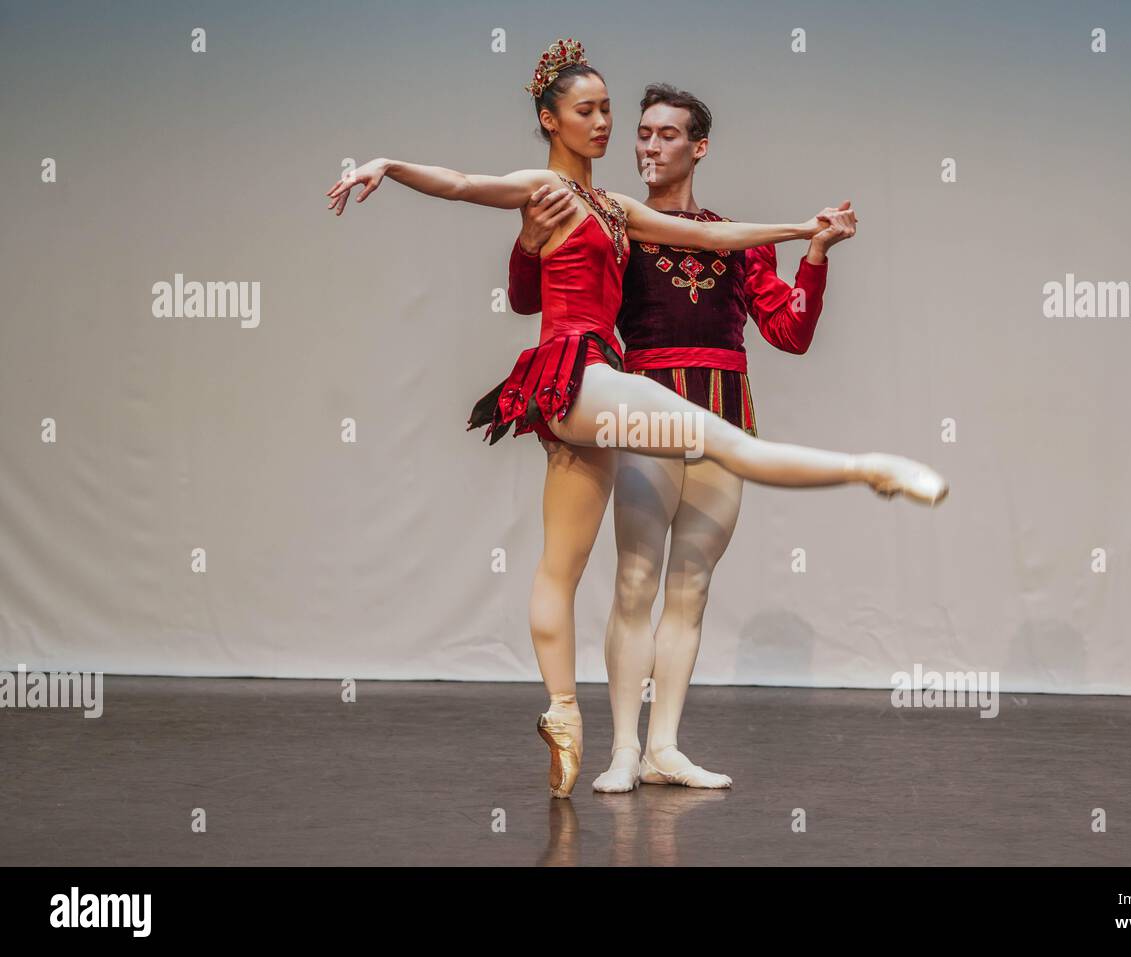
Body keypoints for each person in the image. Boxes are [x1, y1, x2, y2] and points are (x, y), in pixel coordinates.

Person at [326, 37, 949, 799]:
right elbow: (491, 225)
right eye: (608, 118)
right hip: (609, 387)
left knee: (632, 577)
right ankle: (863, 470)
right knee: (639, 568)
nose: (626, 135)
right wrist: (396, 169)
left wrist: (806, 240)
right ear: (554, 121)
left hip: (666, 393)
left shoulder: (621, 214)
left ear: (698, 146)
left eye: (635, 122)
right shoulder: (572, 204)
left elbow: (749, 277)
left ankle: (618, 731)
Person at [504, 83, 855, 792]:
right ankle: (624, 749)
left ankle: (664, 745)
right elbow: (530, 298)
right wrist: (528, 240)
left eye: (666, 134)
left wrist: (814, 254)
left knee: (690, 587)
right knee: (635, 580)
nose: (646, 145)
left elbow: (790, 331)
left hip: (724, 416)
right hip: (646, 416)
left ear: (698, 147)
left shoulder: (735, 242)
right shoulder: (618, 228)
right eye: (642, 133)